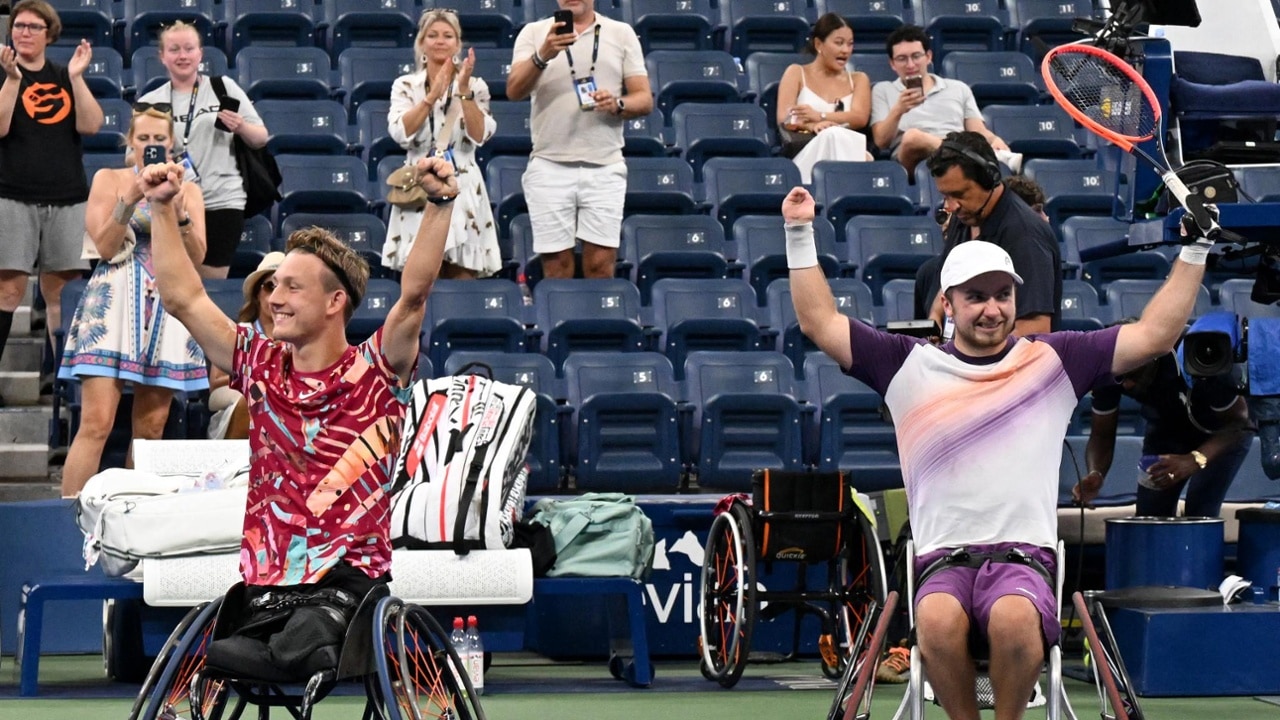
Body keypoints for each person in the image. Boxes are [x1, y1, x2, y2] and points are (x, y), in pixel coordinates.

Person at [783, 183, 1217, 720]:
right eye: (976, 297)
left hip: (1023, 559)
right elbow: (818, 323)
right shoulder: (905, 365)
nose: (992, 310)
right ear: (948, 303)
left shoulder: (1056, 360)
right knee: (938, 623)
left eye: (1003, 296)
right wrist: (799, 232)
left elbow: (1153, 335)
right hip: (942, 562)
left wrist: (1195, 250)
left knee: (1014, 620)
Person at [145, 153, 456, 678]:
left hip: (347, 583)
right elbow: (182, 297)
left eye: (292, 286)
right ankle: (287, 647)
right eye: (273, 286)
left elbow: (414, 295)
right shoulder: (258, 363)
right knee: (245, 641)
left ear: (336, 302)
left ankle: (300, 646)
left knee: (311, 632)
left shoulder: (375, 370)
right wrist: (159, 205)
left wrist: (440, 203)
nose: (276, 298)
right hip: (266, 585)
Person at [57, 105, 209, 497]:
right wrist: (131, 196)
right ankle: (67, 523)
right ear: (130, 142)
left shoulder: (189, 189)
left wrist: (177, 211)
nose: (152, 145)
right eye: (143, 139)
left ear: (172, 144)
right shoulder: (109, 179)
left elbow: (197, 258)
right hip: (113, 302)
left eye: (159, 139)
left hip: (169, 304)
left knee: (151, 428)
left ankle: (131, 527)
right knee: (96, 423)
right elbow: (105, 248)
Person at [0, 1, 103, 400]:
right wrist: (11, 80)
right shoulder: (3, 74)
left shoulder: (64, 74)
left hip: (66, 197)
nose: (24, 32)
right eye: (18, 26)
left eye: (33, 26)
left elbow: (91, 124)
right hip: (13, 196)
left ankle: (64, 382)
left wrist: (77, 78)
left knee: (61, 292)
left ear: (49, 32)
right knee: (8, 291)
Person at [506, 0, 653, 279]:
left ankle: (597, 324)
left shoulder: (621, 33)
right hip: (550, 164)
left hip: (605, 165)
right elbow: (514, 90)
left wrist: (618, 103)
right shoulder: (534, 33)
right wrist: (543, 55)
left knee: (601, 264)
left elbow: (644, 99)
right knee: (556, 266)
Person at [135, 20, 268, 280]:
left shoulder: (224, 88)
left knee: (208, 285)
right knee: (171, 282)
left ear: (200, 53)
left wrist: (240, 126)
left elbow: (261, 138)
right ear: (162, 56)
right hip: (171, 201)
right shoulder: (149, 101)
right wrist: (158, 155)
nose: (182, 55)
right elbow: (132, 155)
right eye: (174, 49)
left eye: (189, 48)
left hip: (222, 200)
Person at [1073, 344, 1255, 518]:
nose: (1127, 385)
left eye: (1134, 376)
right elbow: (1101, 435)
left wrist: (1195, 459)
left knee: (1201, 511)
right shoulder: (1111, 368)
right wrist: (1096, 473)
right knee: (1150, 515)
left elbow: (1239, 424)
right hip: (1167, 429)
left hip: (1223, 431)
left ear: (1152, 358)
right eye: (1121, 378)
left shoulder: (1199, 353)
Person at [384, 9, 500, 279]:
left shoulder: (476, 86)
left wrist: (463, 92)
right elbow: (400, 132)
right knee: (422, 279)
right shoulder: (405, 85)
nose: (440, 41)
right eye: (432, 35)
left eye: (448, 35)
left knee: (463, 274)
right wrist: (431, 96)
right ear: (421, 43)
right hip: (420, 181)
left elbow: (481, 134)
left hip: (464, 181)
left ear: (458, 44)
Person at [916, 132, 1061, 339]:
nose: (950, 206)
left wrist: (975, 362)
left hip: (1008, 368)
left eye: (959, 194)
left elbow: (1034, 332)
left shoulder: (1025, 235)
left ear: (989, 178)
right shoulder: (967, 215)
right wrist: (935, 318)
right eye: (945, 196)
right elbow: (949, 282)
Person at [869, 25, 1019, 175]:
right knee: (912, 137)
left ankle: (967, 157)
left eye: (916, 56)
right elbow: (881, 141)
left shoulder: (958, 88)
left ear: (928, 57)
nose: (910, 65)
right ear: (892, 64)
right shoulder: (883, 90)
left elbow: (978, 130)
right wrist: (898, 110)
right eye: (902, 59)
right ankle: (975, 159)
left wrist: (994, 140)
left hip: (957, 160)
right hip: (912, 162)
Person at [775, 13, 873, 183]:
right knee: (832, 134)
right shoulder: (796, 72)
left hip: (847, 151)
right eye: (839, 43)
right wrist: (814, 125)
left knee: (846, 143)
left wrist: (821, 116)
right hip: (807, 150)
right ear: (819, 44)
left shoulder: (859, 79)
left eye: (850, 44)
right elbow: (785, 117)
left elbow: (859, 117)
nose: (846, 50)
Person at [205, 251, 283, 440]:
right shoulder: (242, 332)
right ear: (257, 293)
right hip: (235, 394)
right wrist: (257, 373)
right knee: (258, 395)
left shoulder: (298, 337)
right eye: (270, 286)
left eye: (285, 287)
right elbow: (215, 381)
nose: (276, 295)